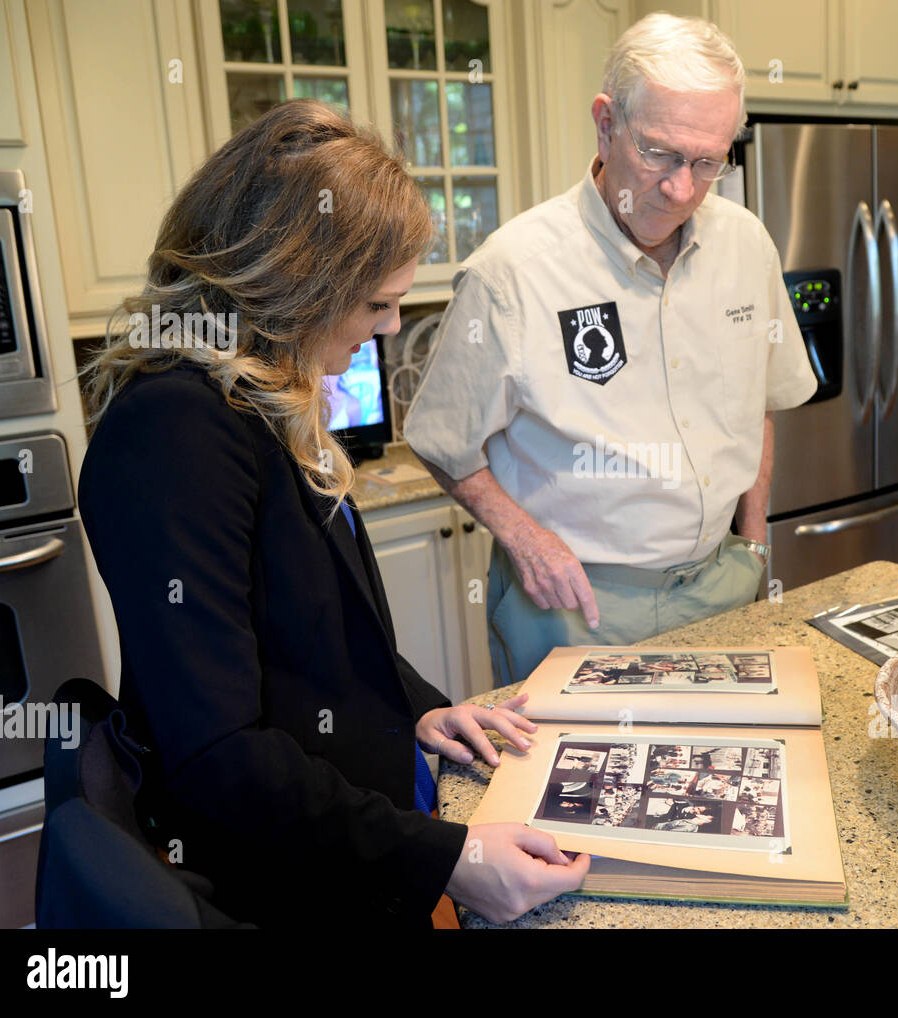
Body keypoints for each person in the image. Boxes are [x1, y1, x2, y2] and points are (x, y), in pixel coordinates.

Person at [77, 99, 589, 928]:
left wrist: (417, 703)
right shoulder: (174, 431)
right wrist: (451, 860)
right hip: (283, 888)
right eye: (376, 305)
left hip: (348, 852)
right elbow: (219, 757)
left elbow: (322, 638)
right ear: (294, 285)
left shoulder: (259, 395)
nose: (388, 328)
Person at [403, 13, 817, 685]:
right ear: (606, 122)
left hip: (723, 582)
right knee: (577, 792)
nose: (683, 188)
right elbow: (440, 437)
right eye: (660, 153)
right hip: (572, 605)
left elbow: (763, 399)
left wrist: (753, 537)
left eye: (708, 161)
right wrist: (525, 541)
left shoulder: (748, 245)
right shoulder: (513, 270)